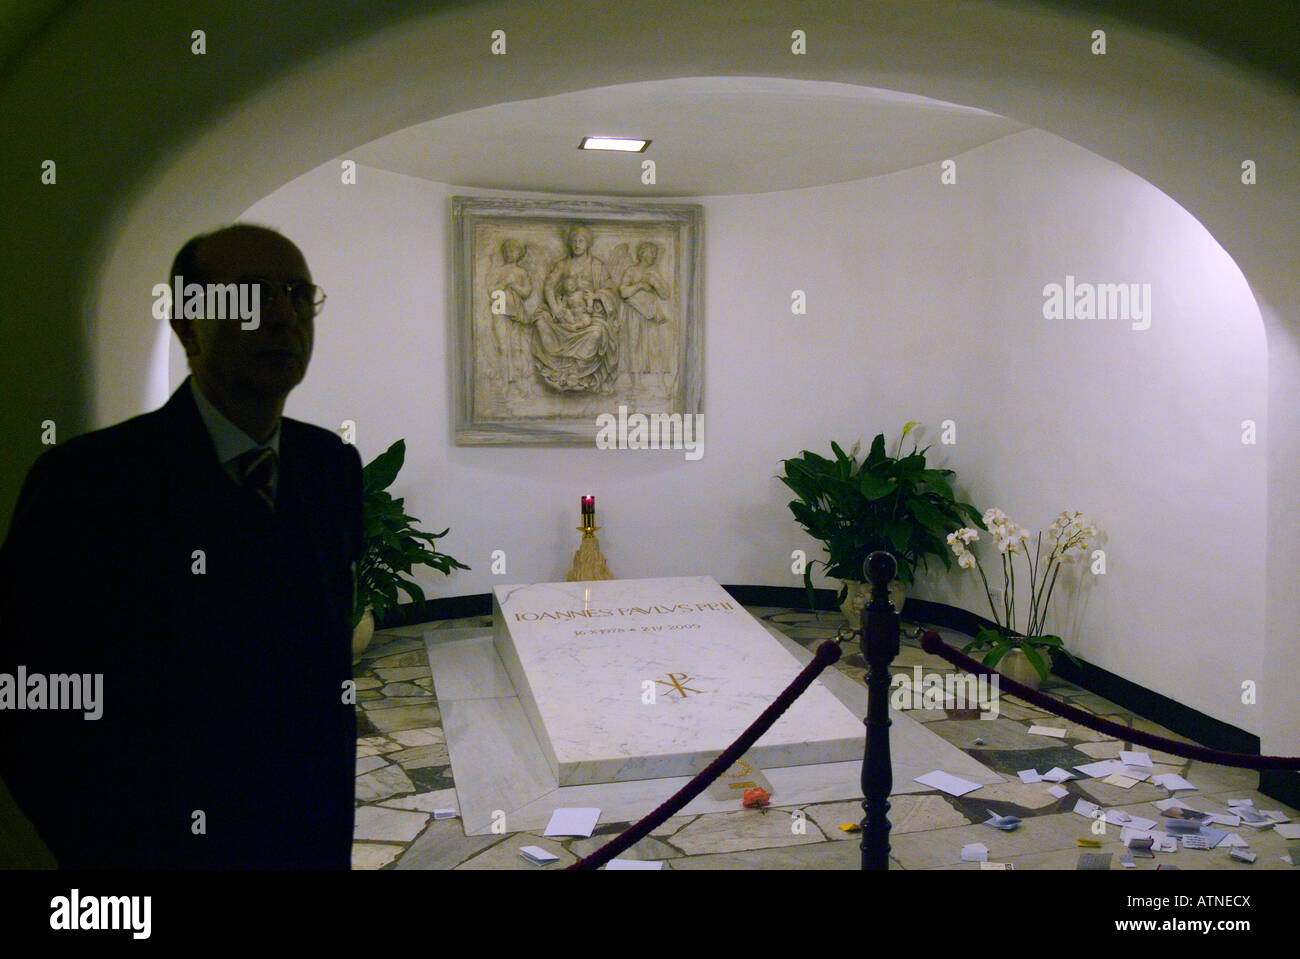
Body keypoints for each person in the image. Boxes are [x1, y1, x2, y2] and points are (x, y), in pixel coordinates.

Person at [0, 224, 362, 868]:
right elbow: (28, 698)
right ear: (189, 327)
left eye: (297, 295)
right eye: (250, 297)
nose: (281, 315)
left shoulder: (329, 466)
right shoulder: (88, 485)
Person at [530, 224, 620, 393]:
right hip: (564, 311)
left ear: (588, 244)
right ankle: (560, 368)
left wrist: (595, 296)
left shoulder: (597, 266)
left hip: (589, 312)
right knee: (541, 322)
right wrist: (556, 308)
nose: (578, 244)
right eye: (574, 241)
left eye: (581, 241)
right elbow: (549, 286)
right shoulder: (563, 265)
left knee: (597, 333)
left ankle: (578, 370)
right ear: (570, 244)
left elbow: (610, 291)